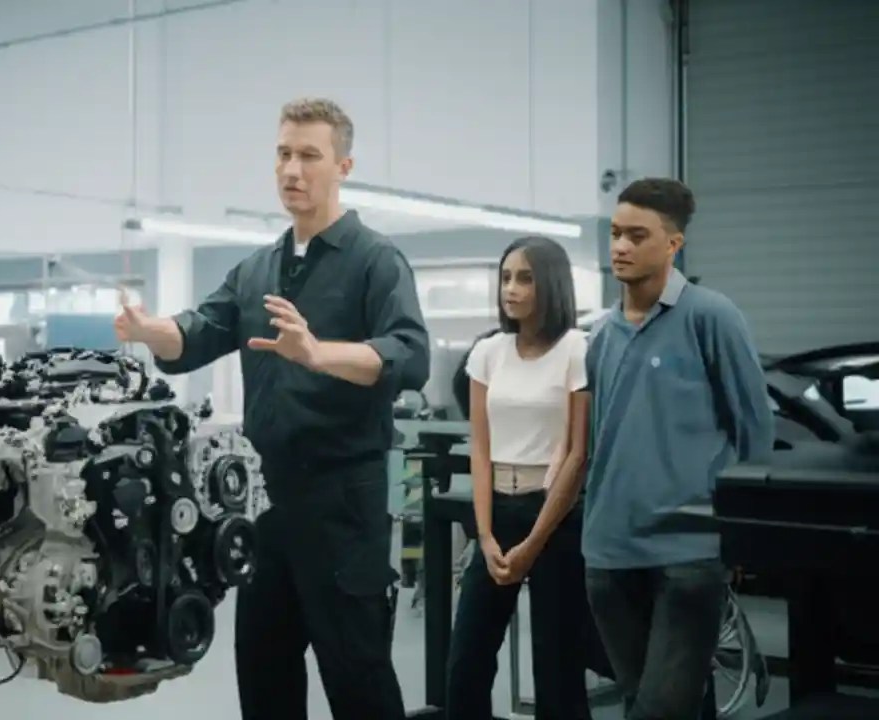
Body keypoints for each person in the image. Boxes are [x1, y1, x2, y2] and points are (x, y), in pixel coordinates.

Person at [115, 97, 429, 720]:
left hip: (344, 505)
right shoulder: (257, 268)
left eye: (309, 155)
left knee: (358, 677)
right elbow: (200, 331)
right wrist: (151, 330)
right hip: (262, 506)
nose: (292, 169)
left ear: (343, 165)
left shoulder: (375, 260)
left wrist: (318, 353)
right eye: (283, 154)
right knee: (263, 676)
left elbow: (410, 355)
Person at [583, 178, 774, 719]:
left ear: (673, 244)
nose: (619, 246)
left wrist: (738, 538)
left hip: (688, 552)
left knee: (660, 711)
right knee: (640, 699)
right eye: (616, 233)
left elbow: (753, 433)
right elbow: (597, 439)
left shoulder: (711, 317)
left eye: (637, 235)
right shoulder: (600, 335)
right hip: (608, 551)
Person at [443, 236, 592, 719]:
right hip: (495, 512)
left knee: (558, 669)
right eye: (506, 277)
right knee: (465, 665)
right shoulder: (489, 352)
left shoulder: (576, 349)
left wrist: (533, 542)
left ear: (550, 284)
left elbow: (576, 454)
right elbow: (480, 447)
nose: (511, 288)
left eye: (525, 278)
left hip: (553, 515)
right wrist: (483, 534)